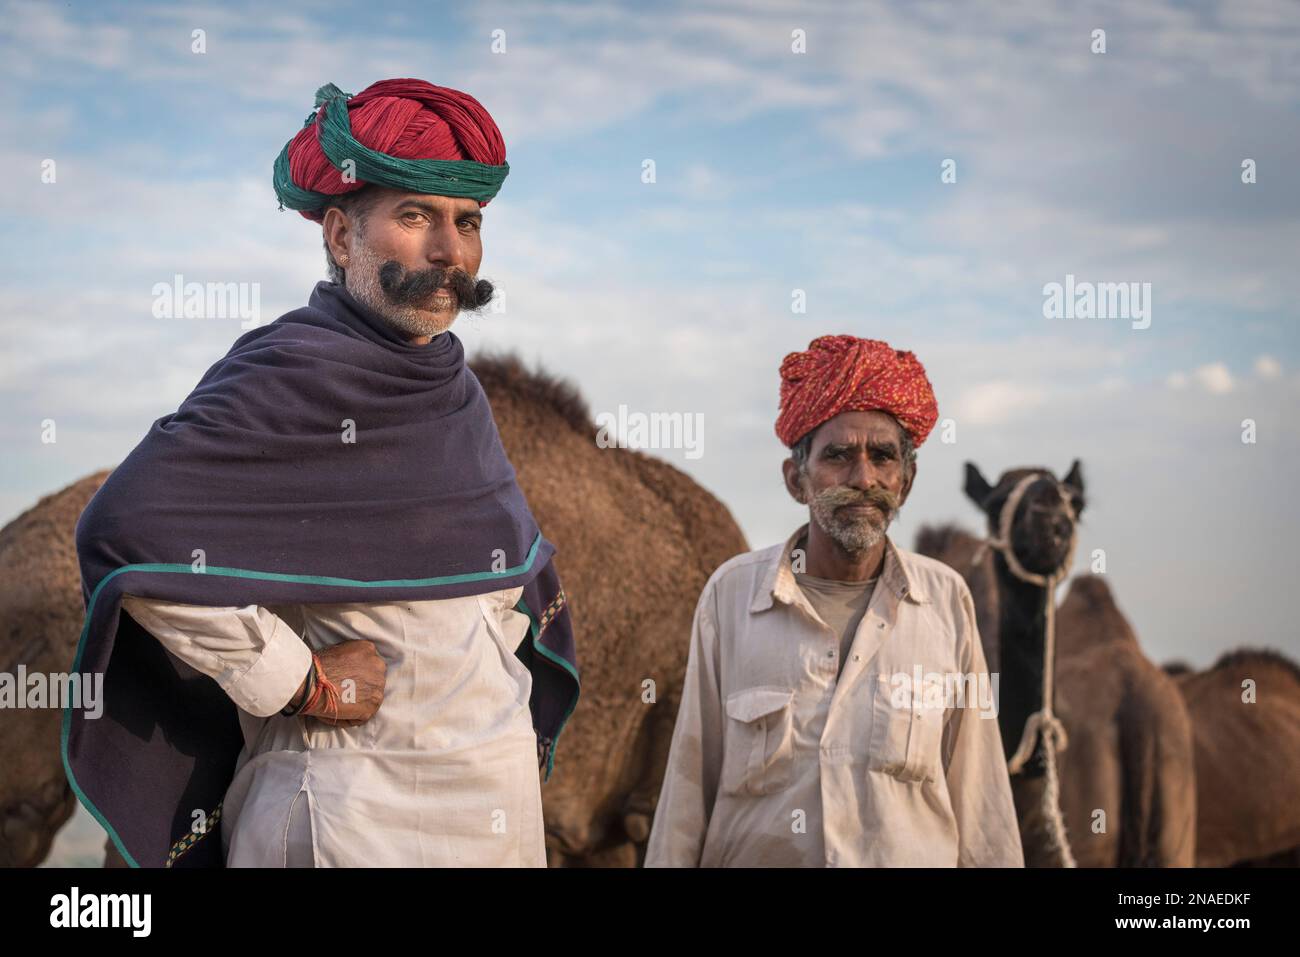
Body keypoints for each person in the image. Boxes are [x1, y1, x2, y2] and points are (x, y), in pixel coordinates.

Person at [66, 79, 579, 869]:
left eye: (467, 222)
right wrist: (297, 679)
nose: (450, 251)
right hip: (344, 818)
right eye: (416, 216)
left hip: (494, 812)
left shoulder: (456, 389)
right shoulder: (287, 368)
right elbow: (122, 529)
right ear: (341, 236)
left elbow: (504, 585)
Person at [645, 334, 1023, 867]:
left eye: (882, 457)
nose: (863, 478)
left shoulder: (944, 602)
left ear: (906, 482)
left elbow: (981, 801)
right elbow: (687, 791)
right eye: (838, 456)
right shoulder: (732, 598)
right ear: (796, 480)